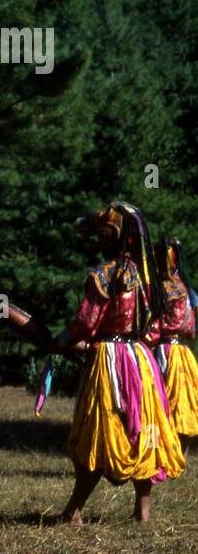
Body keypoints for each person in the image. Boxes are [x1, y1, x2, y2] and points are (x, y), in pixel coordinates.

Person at [56, 202, 184, 525]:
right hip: (139, 360)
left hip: (109, 363)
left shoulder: (103, 275)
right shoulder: (146, 278)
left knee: (99, 434)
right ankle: (142, 512)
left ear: (111, 237)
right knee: (146, 433)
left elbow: (87, 321)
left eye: (100, 233)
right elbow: (151, 322)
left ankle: (74, 510)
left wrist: (63, 339)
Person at [150, 237, 198, 454]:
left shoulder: (166, 287)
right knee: (179, 405)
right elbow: (192, 330)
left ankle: (157, 454)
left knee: (155, 403)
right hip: (180, 351)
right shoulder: (186, 288)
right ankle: (173, 455)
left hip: (163, 350)